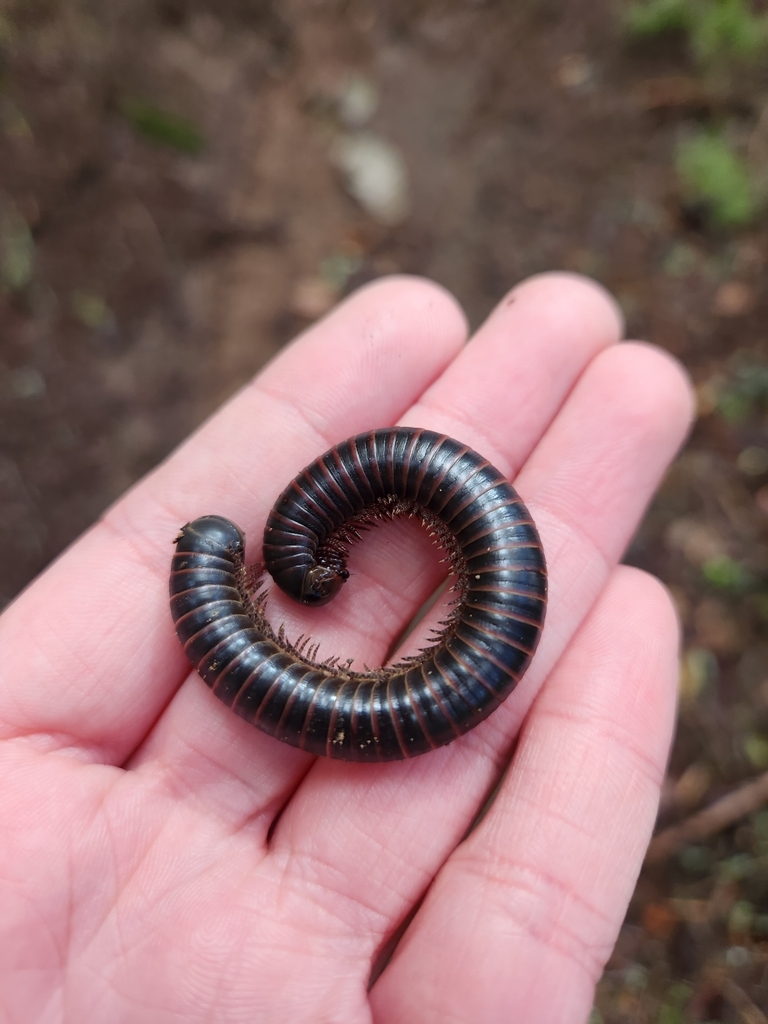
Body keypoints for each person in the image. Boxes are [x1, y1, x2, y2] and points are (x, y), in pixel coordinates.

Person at [0, 272, 692, 1023]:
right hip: (454, 631)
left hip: (452, 600)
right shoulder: (315, 564)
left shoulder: (290, 588)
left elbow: (314, 573)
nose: (304, 578)